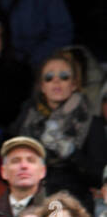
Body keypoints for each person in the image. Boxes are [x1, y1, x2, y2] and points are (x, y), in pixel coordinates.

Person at [12, 50, 107, 207]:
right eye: (49, 78)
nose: (56, 81)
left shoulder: (91, 122)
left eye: (64, 77)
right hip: (32, 204)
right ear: (42, 86)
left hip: (74, 207)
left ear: (74, 84)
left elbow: (99, 176)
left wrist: (71, 153)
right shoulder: (26, 118)